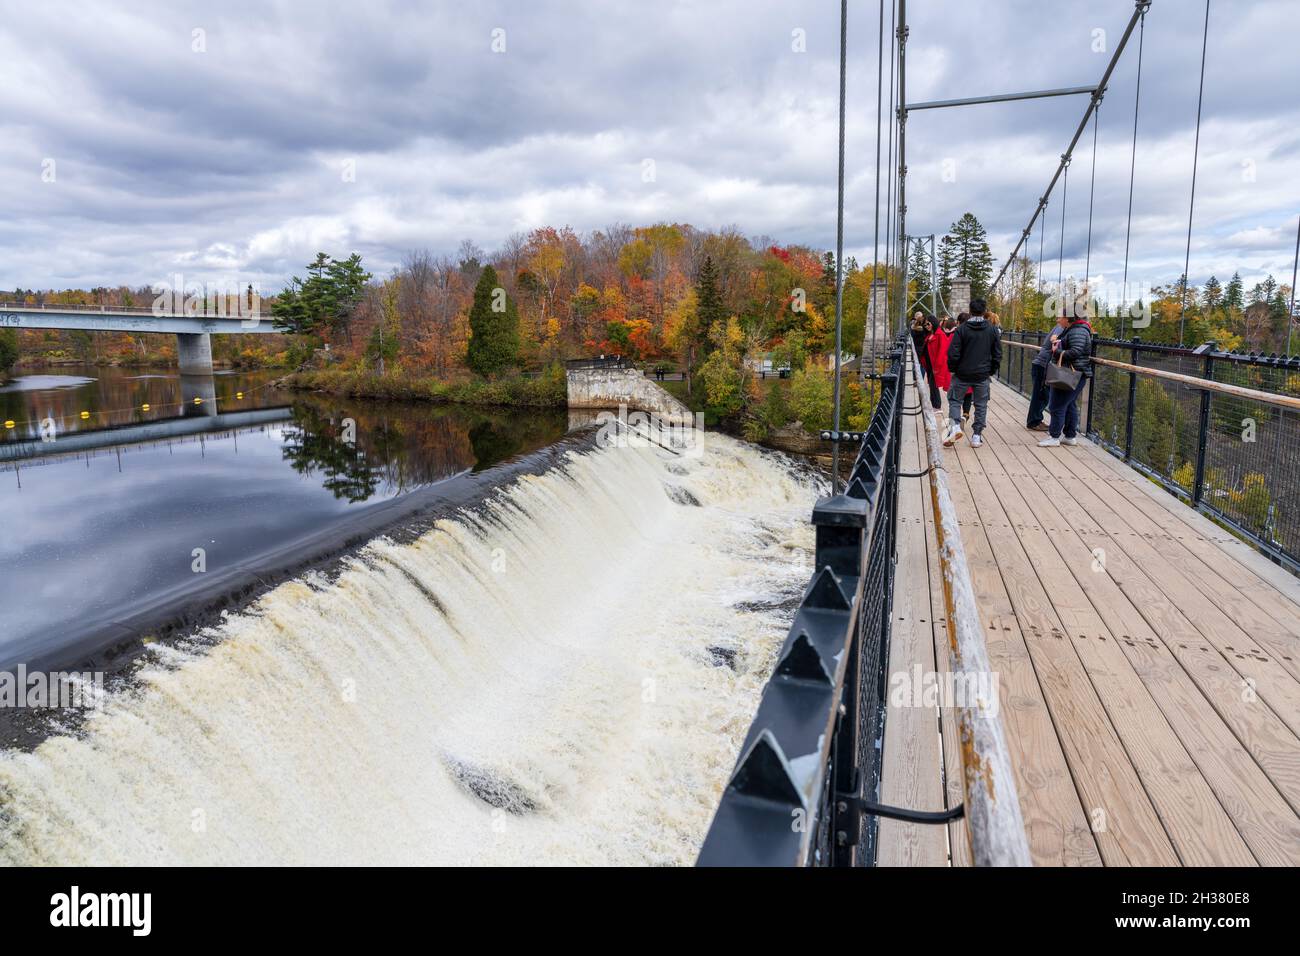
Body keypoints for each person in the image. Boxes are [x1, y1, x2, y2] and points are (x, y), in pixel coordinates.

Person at [944, 299, 1000, 448]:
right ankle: (976, 436)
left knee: (955, 400)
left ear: (970, 310)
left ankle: (955, 426)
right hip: (982, 375)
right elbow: (997, 354)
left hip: (962, 373)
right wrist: (991, 371)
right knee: (981, 405)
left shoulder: (961, 329)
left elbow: (953, 353)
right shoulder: (992, 330)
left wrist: (953, 369)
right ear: (985, 310)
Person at [1038, 312, 1094, 447]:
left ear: (1067, 318)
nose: (1057, 320)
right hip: (1073, 373)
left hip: (1069, 374)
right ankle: (1069, 436)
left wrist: (1056, 351)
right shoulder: (1075, 329)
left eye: (1059, 317)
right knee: (1069, 405)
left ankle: (1054, 436)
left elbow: (1075, 351)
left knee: (1057, 405)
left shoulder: (1077, 331)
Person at [1026, 314, 1069, 430]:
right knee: (1041, 395)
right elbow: (1053, 341)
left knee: (1041, 394)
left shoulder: (1059, 327)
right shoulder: (1061, 328)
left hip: (1041, 363)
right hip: (1043, 364)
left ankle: (1035, 420)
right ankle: (1034, 422)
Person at [925, 315, 954, 409]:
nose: (927, 326)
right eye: (925, 324)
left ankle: (937, 406)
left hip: (936, 365)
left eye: (928, 324)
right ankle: (934, 404)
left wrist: (937, 367)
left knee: (934, 384)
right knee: (931, 383)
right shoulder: (931, 334)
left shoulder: (940, 334)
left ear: (933, 323)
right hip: (930, 364)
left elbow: (942, 352)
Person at [910, 312, 932, 381]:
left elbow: (912, 335)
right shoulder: (925, 328)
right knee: (922, 364)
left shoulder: (913, 328)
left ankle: (915, 378)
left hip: (915, 347)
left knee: (916, 363)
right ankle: (920, 379)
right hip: (924, 348)